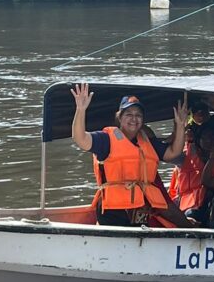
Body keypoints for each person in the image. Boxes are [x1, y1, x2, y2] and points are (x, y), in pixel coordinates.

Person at [71, 85, 188, 227]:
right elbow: (81, 139)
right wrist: (80, 109)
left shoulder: (147, 142)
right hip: (113, 211)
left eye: (138, 115)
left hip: (139, 210)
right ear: (119, 118)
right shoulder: (106, 139)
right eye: (129, 114)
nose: (134, 119)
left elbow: (173, 152)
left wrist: (181, 125)